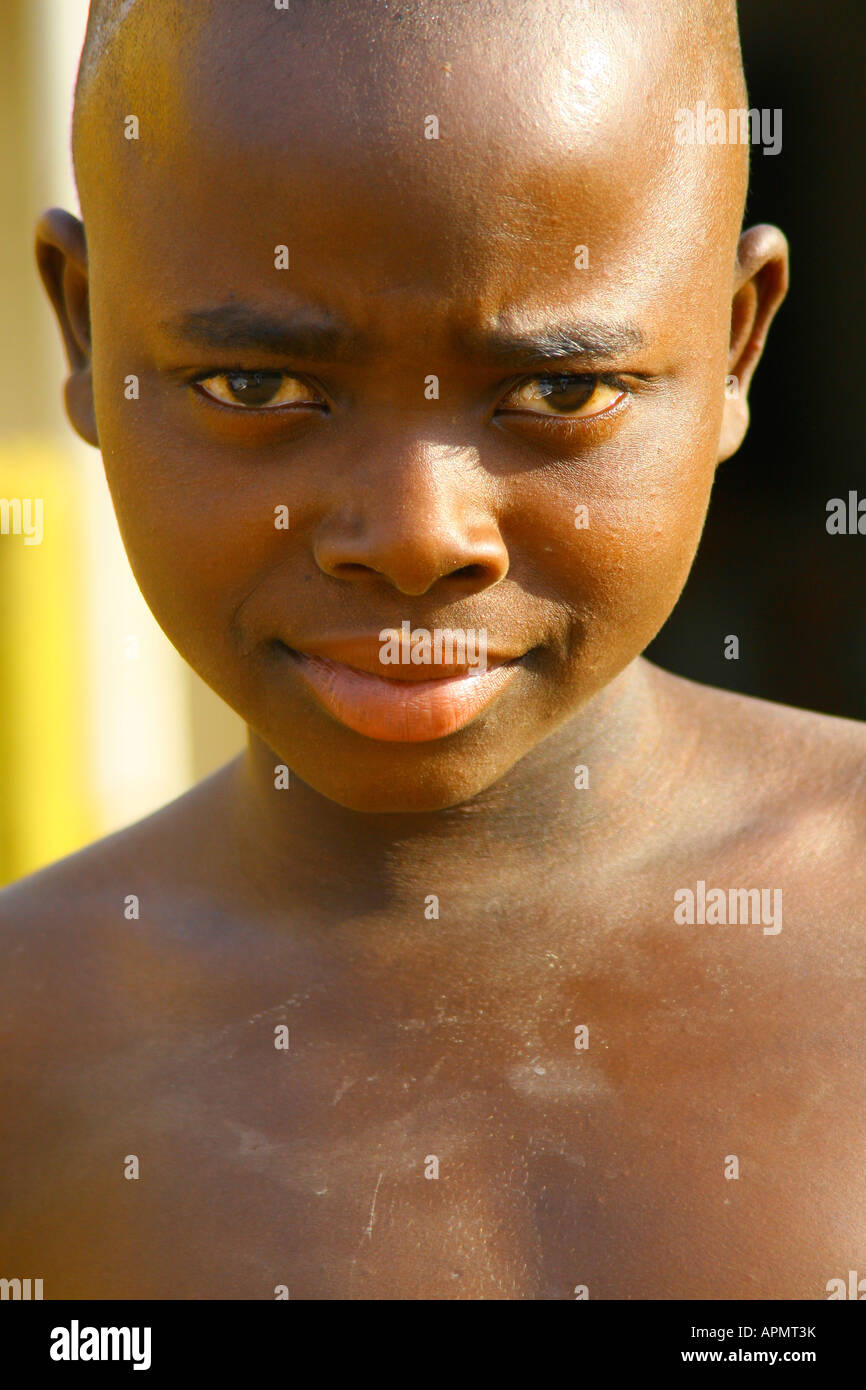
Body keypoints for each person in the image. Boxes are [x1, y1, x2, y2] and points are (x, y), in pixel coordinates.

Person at [1, 0, 863, 1299]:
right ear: (84, 333)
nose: (417, 536)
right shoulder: (29, 1044)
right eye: (254, 388)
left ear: (736, 339)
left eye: (560, 393)